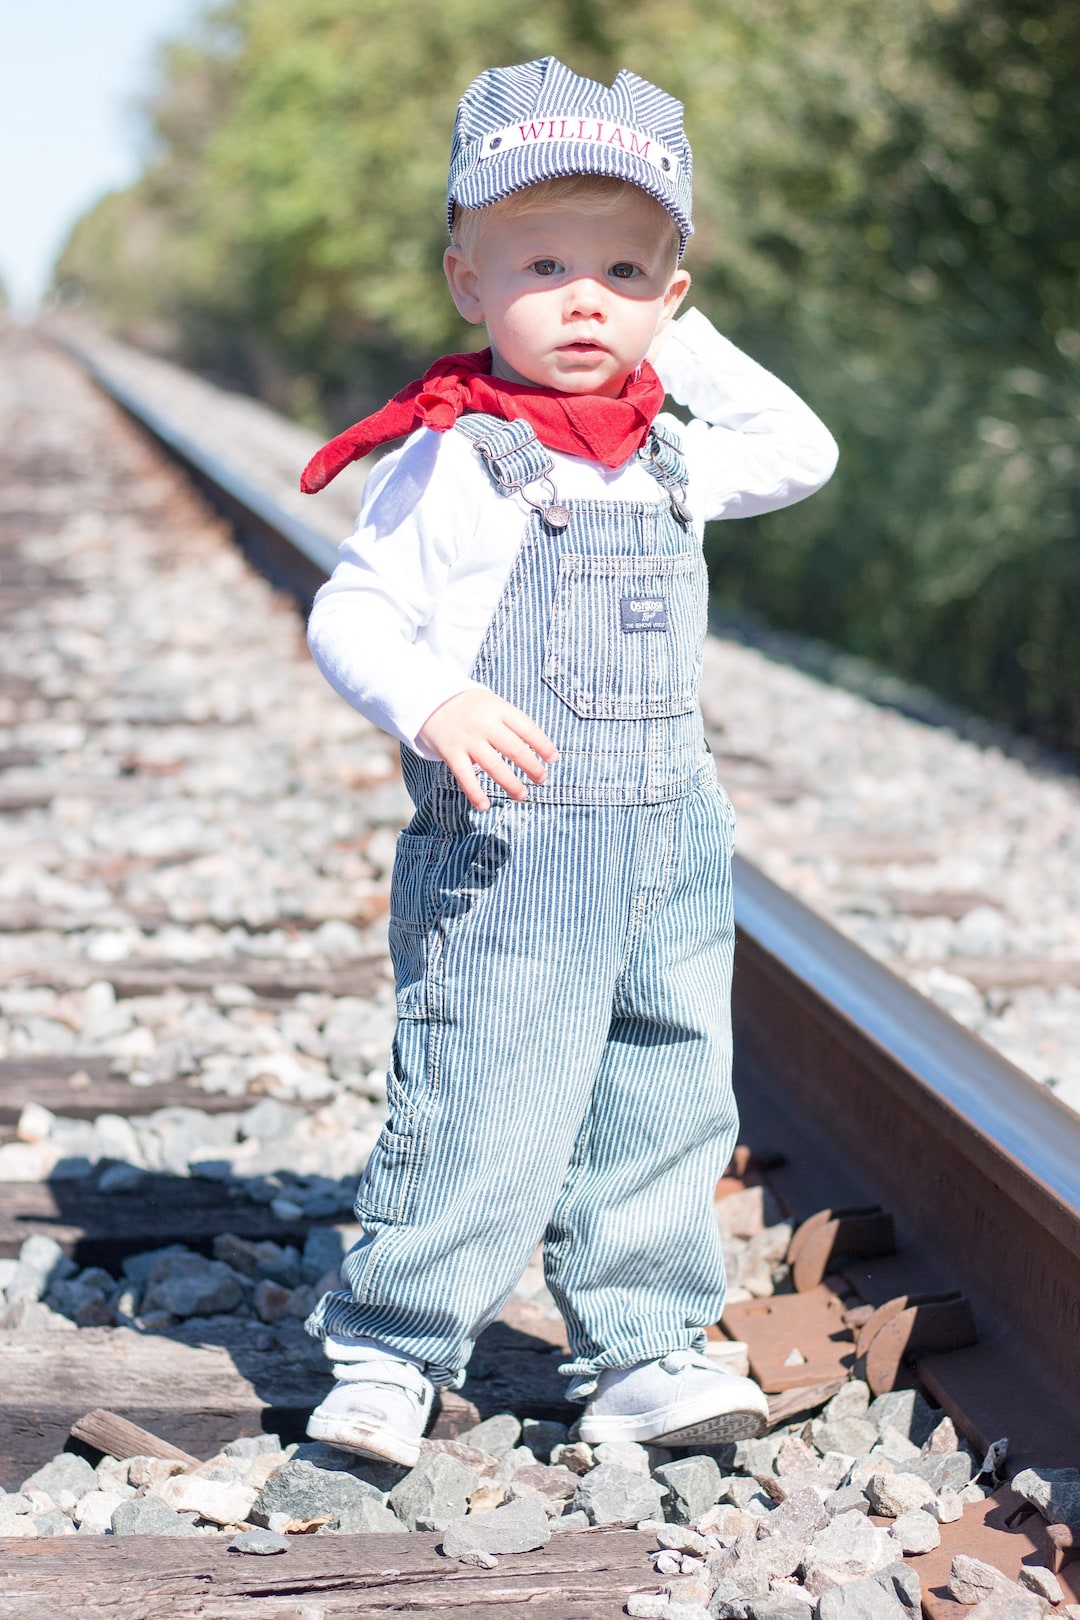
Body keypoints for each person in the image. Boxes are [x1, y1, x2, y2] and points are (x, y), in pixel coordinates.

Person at [299, 55, 837, 1468]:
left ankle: (642, 1348)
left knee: (668, 1084)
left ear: (673, 289)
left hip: (669, 830)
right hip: (514, 841)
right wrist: (431, 703)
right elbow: (352, 609)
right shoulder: (460, 457)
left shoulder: (673, 448)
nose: (585, 297)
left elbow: (803, 450)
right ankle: (392, 1349)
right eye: (544, 262)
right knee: (484, 1089)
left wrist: (687, 338)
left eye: (624, 266)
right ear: (468, 280)